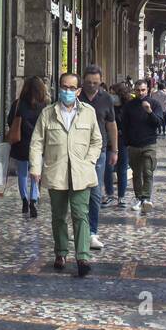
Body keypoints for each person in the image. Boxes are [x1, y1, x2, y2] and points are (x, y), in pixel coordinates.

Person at [28, 72, 102, 277]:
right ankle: (61, 252)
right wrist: (35, 167)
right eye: (64, 87)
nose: (67, 91)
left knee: (81, 214)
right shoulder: (48, 113)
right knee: (58, 216)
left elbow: (97, 140)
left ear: (78, 91)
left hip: (81, 173)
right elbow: (36, 142)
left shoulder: (88, 112)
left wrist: (90, 160)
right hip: (56, 171)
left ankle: (83, 256)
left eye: (71, 88)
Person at [80, 65, 118, 252]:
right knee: (78, 192)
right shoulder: (77, 98)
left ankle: (92, 231)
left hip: (100, 152)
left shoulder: (106, 99)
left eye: (95, 83)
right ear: (83, 81)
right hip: (77, 151)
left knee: (95, 193)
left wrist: (115, 150)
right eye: (88, 83)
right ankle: (80, 228)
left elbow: (111, 125)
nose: (92, 86)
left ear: (100, 82)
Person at [7, 76, 50, 217]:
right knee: (35, 174)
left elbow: (10, 121)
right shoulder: (44, 105)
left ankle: (24, 199)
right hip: (38, 145)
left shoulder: (18, 104)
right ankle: (33, 199)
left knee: (22, 174)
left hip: (21, 144)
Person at [120, 78, 162, 213]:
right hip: (133, 145)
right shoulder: (129, 106)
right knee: (136, 174)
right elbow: (124, 125)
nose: (141, 93)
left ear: (147, 90)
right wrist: (126, 143)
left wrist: (149, 112)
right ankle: (139, 198)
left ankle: (146, 197)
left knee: (148, 171)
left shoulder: (154, 104)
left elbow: (159, 122)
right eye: (138, 90)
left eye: (143, 90)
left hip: (149, 143)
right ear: (134, 91)